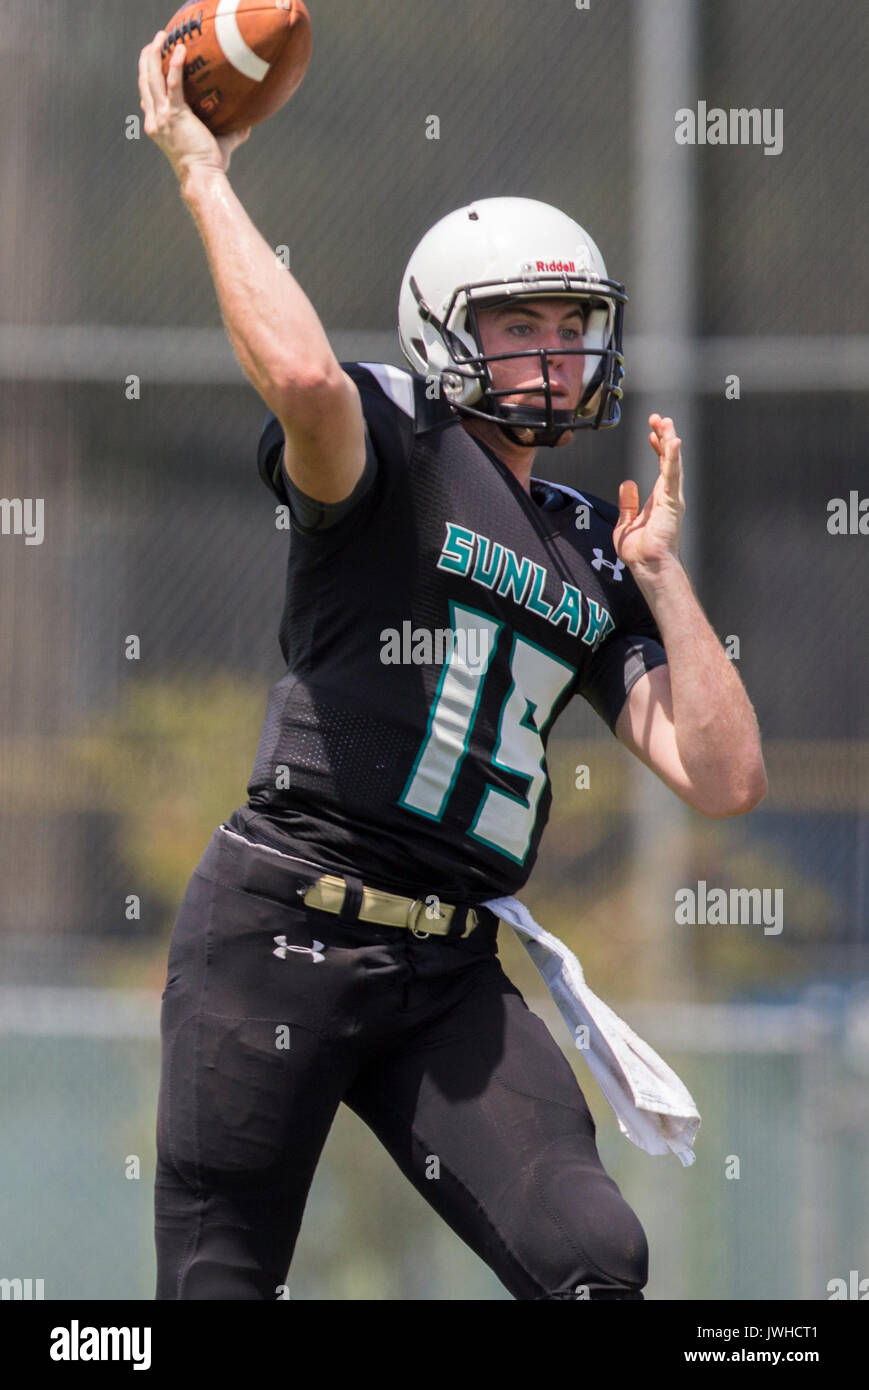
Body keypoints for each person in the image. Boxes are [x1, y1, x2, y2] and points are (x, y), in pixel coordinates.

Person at [139, 32, 768, 1301]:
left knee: (596, 1257)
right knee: (215, 1287)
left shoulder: (598, 543)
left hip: (448, 966)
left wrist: (661, 575)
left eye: (569, 325)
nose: (549, 352)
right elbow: (305, 377)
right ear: (441, 331)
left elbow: (721, 772)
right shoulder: (396, 445)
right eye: (515, 323)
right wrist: (203, 172)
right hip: (281, 925)